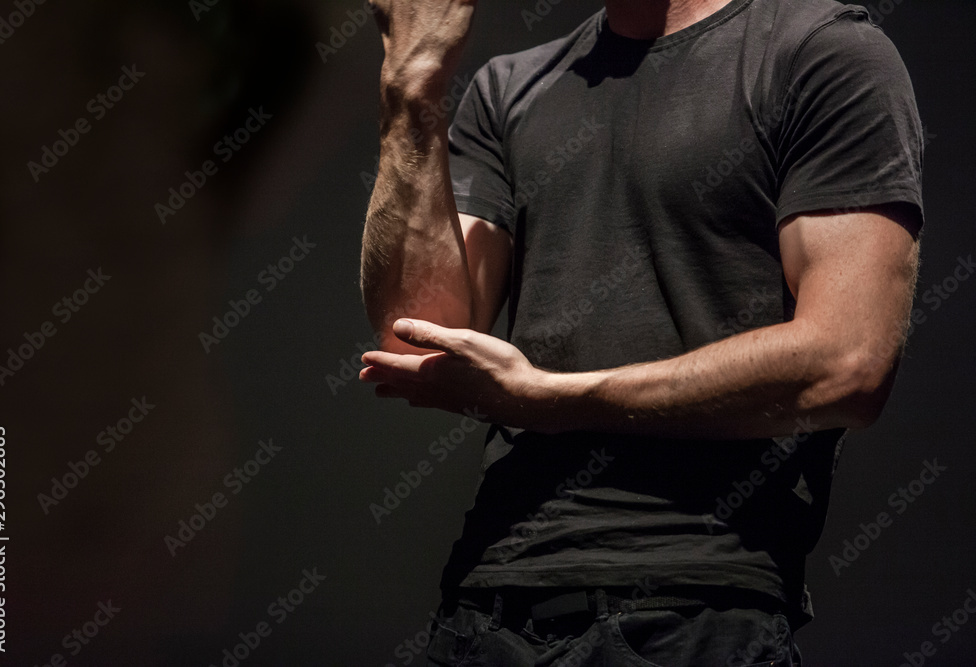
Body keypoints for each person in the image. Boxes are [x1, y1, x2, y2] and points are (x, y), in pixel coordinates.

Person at [358, 0, 924, 664]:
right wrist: (411, 90)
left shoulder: (820, 53)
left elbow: (848, 363)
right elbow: (418, 331)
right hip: (487, 606)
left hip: (696, 607)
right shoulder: (509, 88)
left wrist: (550, 398)